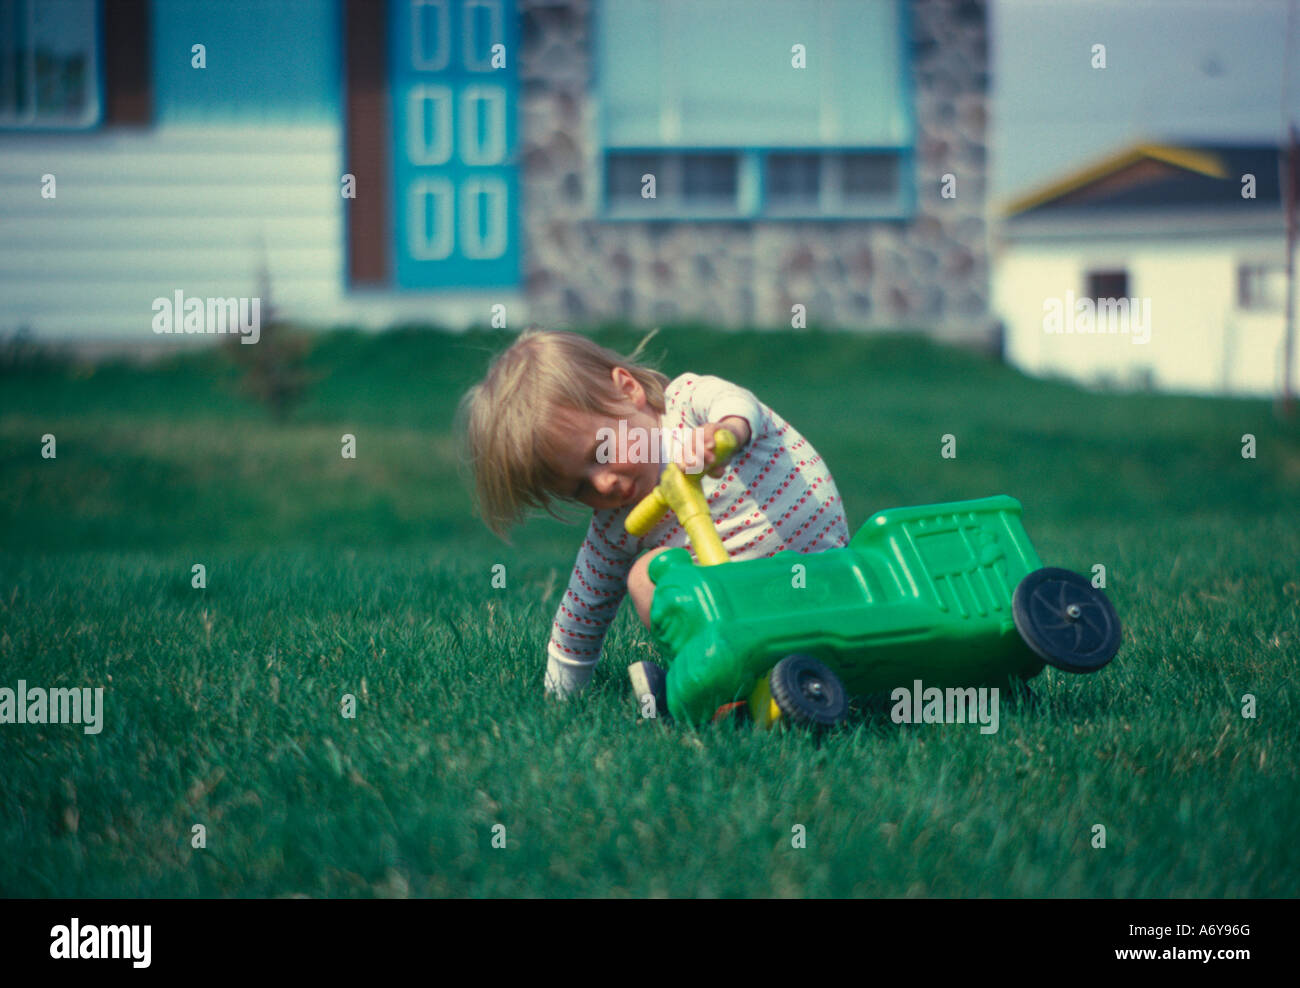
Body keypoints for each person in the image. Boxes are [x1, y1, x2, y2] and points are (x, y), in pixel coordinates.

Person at [458, 328, 850, 701]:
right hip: (738, 614)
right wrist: (559, 696)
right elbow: (582, 609)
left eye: (602, 452)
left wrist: (726, 432)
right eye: (579, 488)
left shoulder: (688, 407)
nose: (604, 483)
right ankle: (717, 679)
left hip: (817, 565)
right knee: (645, 576)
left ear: (627, 390)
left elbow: (738, 402)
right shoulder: (616, 527)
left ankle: (716, 683)